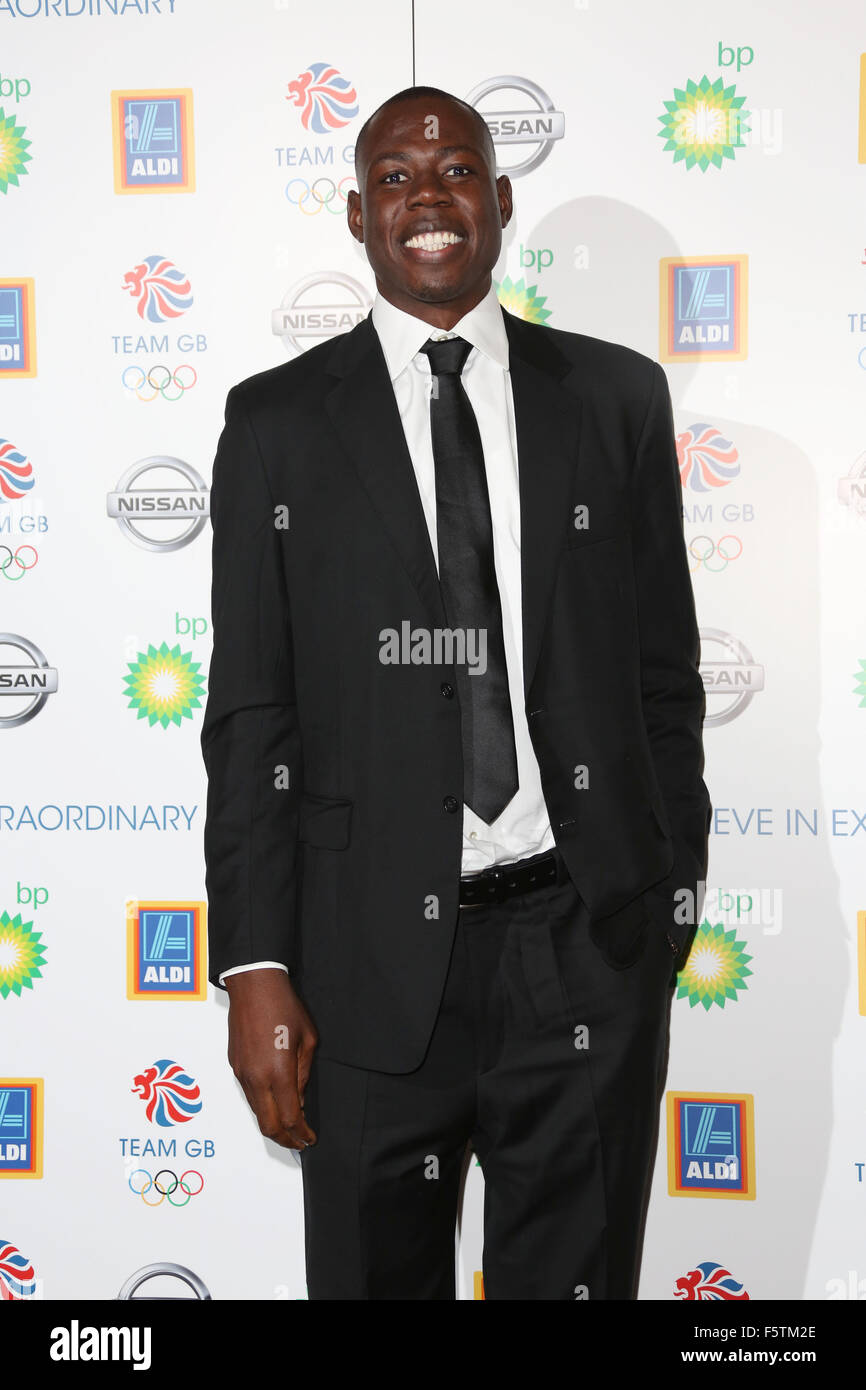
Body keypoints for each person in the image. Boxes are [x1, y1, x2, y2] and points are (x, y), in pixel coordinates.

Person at [200, 85, 710, 1301]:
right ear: (355, 215)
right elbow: (250, 715)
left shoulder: (615, 400)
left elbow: (663, 674)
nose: (426, 195)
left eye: (455, 169)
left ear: (500, 198)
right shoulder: (274, 426)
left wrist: (654, 903)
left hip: (579, 949)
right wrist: (257, 966)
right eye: (393, 176)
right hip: (362, 968)